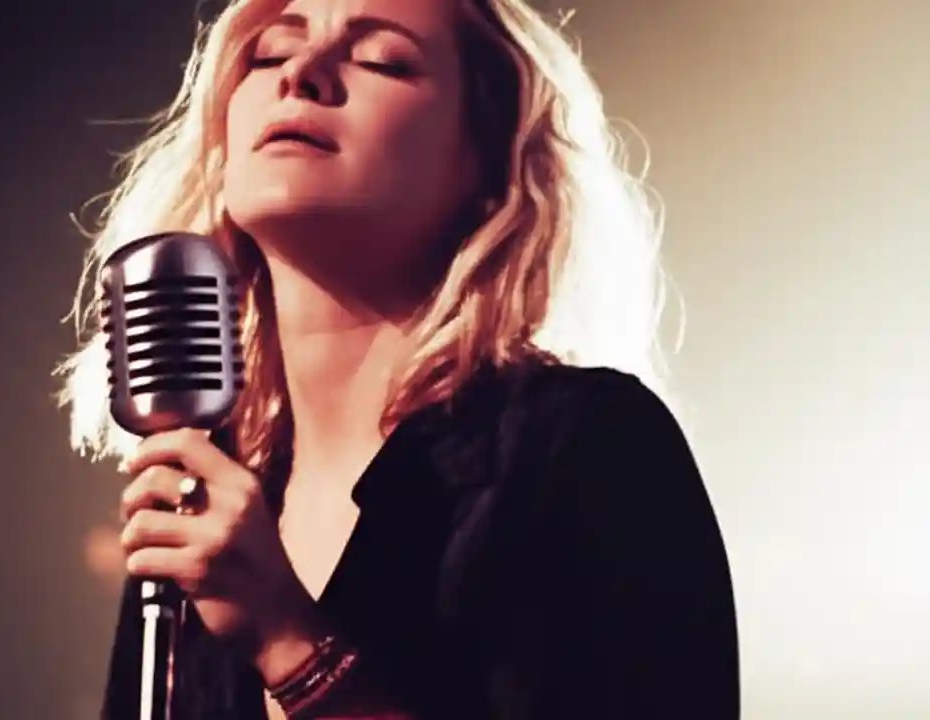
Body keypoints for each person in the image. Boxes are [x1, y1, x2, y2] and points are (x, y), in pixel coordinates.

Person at [59, 0, 739, 717]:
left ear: (488, 161)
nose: (302, 72)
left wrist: (288, 640)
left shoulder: (590, 444)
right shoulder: (202, 491)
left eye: (382, 60)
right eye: (270, 53)